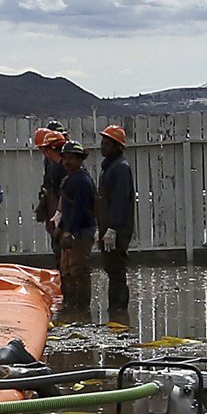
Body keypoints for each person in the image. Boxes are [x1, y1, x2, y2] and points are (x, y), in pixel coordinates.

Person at [50, 137, 97, 325]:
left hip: (81, 233)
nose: (67, 161)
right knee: (67, 270)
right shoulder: (70, 179)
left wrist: (69, 231)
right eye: (65, 158)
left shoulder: (82, 181)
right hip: (71, 232)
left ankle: (82, 310)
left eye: (71, 158)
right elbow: (68, 209)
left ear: (80, 159)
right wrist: (61, 228)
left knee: (79, 271)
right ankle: (71, 306)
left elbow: (79, 209)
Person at [94, 123, 136, 328]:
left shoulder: (120, 168)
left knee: (117, 269)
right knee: (111, 268)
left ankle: (119, 311)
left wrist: (113, 228)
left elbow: (120, 201)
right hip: (108, 227)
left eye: (106, 143)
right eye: (102, 142)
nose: (102, 146)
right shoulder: (110, 167)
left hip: (117, 229)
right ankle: (115, 309)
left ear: (118, 146)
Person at [31, 125, 70, 254]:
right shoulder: (51, 161)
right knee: (57, 243)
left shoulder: (68, 163)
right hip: (54, 204)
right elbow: (48, 182)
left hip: (64, 208)